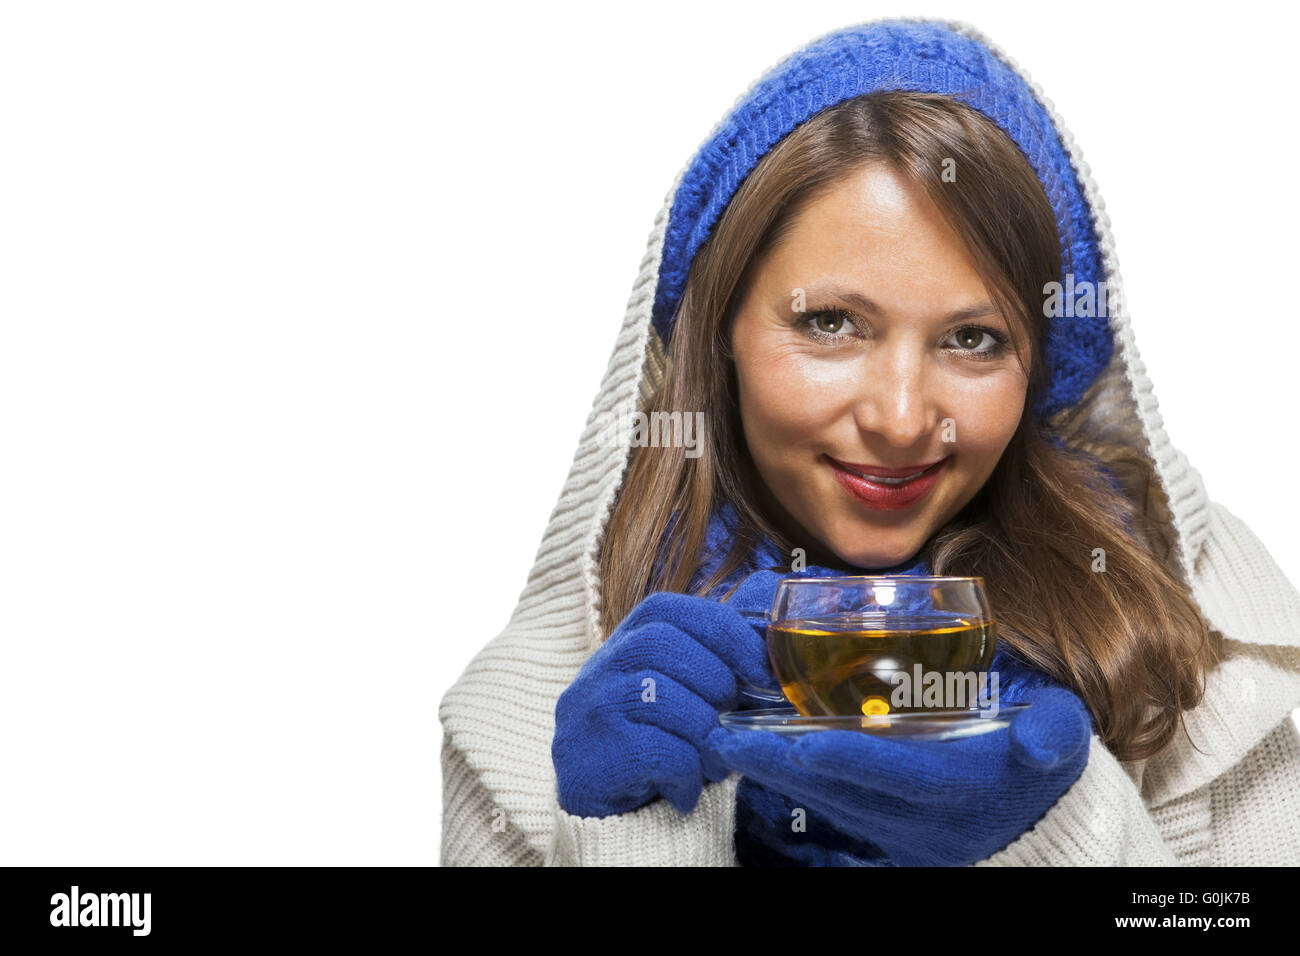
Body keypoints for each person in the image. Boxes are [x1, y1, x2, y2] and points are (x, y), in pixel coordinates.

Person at [438, 17, 1300, 866]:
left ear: (1037, 362)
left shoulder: (1209, 655)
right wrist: (633, 832)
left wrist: (1055, 830)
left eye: (973, 338)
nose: (899, 418)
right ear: (721, 334)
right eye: (832, 322)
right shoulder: (523, 718)